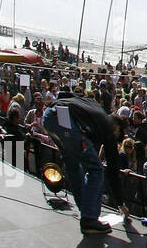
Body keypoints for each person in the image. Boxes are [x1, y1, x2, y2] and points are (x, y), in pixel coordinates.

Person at [41, 93, 130, 235]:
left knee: (73, 166)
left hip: (49, 117)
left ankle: (85, 211)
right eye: (115, 138)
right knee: (97, 169)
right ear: (115, 127)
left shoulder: (93, 112)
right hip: (66, 123)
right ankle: (89, 218)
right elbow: (113, 169)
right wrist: (120, 203)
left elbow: (65, 94)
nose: (112, 142)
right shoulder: (107, 127)